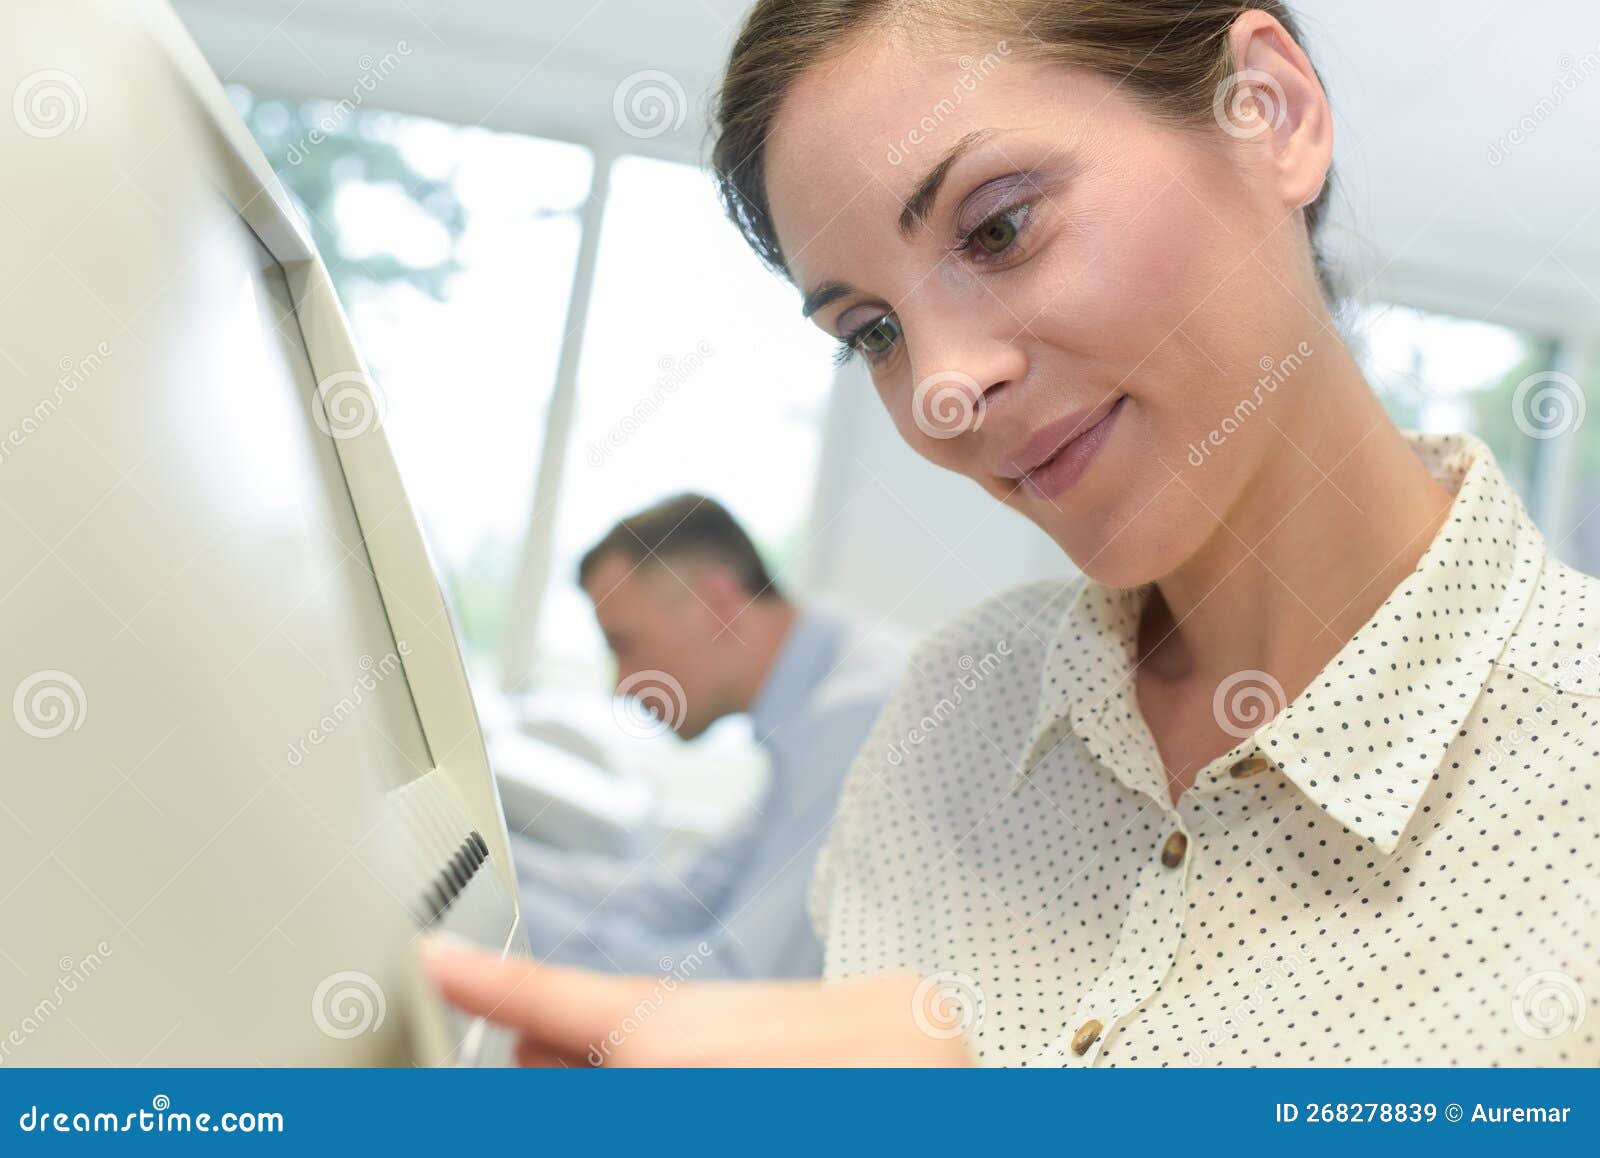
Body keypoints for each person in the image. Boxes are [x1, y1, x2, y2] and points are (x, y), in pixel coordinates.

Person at [425, 0, 1600, 1065]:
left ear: (1270, 113)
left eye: (997, 230)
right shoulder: (949, 721)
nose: (940, 391)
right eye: (873, 331)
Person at [511, 492, 909, 979]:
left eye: (625, 644)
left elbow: (737, 985)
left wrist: (487, 915)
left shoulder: (857, 716)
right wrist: (493, 865)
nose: (621, 685)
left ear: (717, 602)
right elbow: (684, 901)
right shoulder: (811, 712)